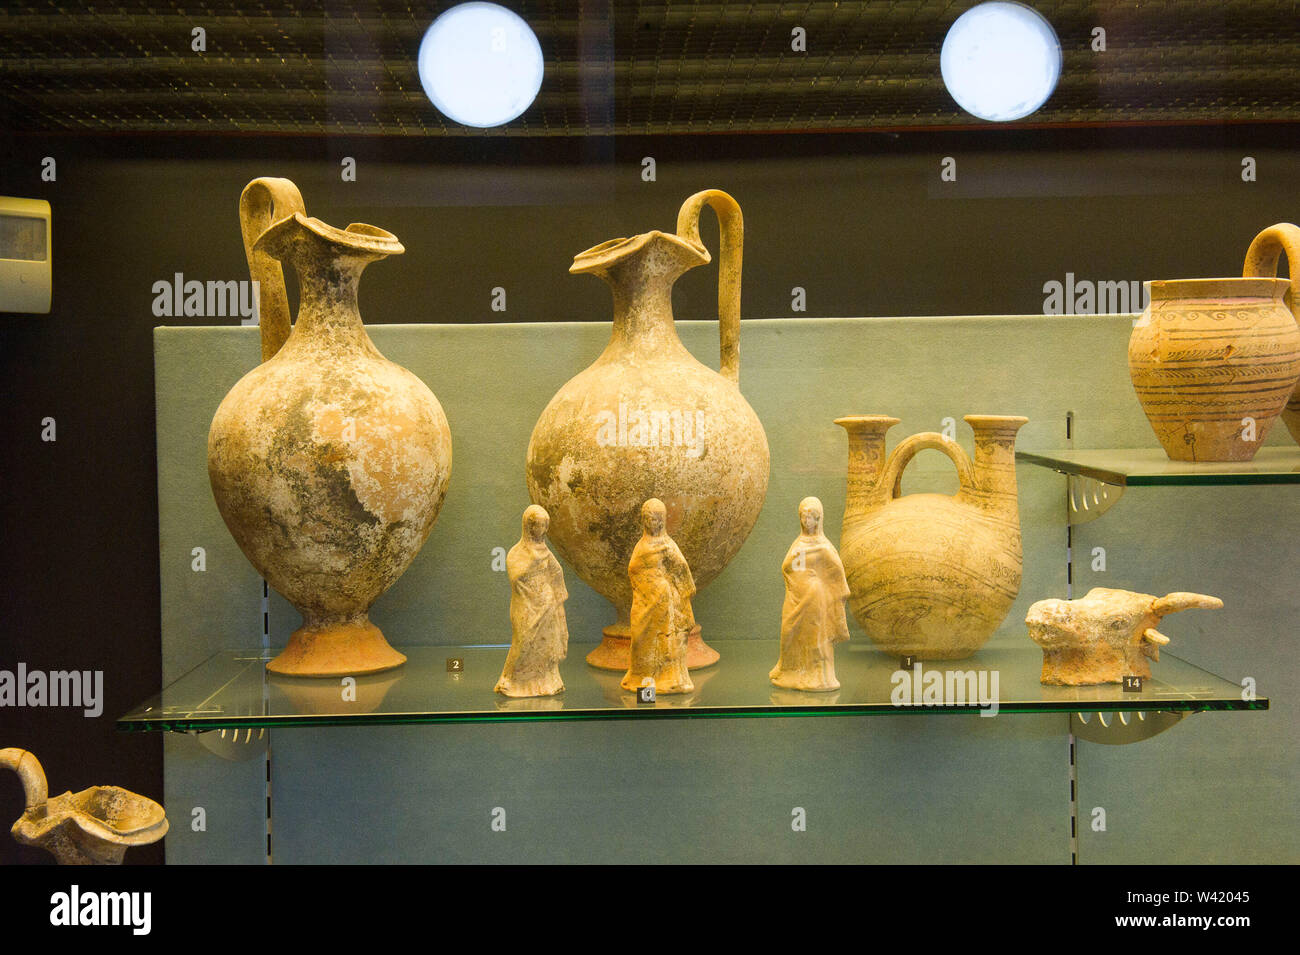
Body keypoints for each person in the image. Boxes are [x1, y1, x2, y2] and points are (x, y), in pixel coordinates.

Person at [770, 497, 851, 691]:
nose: (807, 522)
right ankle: (788, 669)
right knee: (788, 630)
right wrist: (792, 580)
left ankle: (817, 676)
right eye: (803, 518)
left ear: (819, 519)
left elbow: (837, 573)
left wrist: (835, 593)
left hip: (814, 597)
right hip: (795, 596)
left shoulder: (823, 547)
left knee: (814, 636)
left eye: (811, 518)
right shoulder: (799, 543)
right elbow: (789, 567)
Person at [621, 498, 695, 694]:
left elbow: (682, 570)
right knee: (639, 637)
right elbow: (633, 571)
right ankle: (642, 679)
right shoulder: (641, 544)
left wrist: (681, 596)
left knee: (664, 641)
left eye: (654, 519)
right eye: (647, 519)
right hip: (643, 599)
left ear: (662, 521)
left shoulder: (667, 545)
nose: (650, 523)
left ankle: (666, 678)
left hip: (662, 600)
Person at [495, 505, 570, 697]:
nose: (543, 530)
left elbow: (557, 572)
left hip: (547, 605)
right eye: (539, 525)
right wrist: (532, 563)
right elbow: (515, 577)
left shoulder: (544, 550)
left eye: (545, 526)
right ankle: (512, 680)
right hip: (527, 606)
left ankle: (544, 680)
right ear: (529, 526)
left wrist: (555, 597)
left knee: (545, 645)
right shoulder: (516, 552)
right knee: (524, 641)